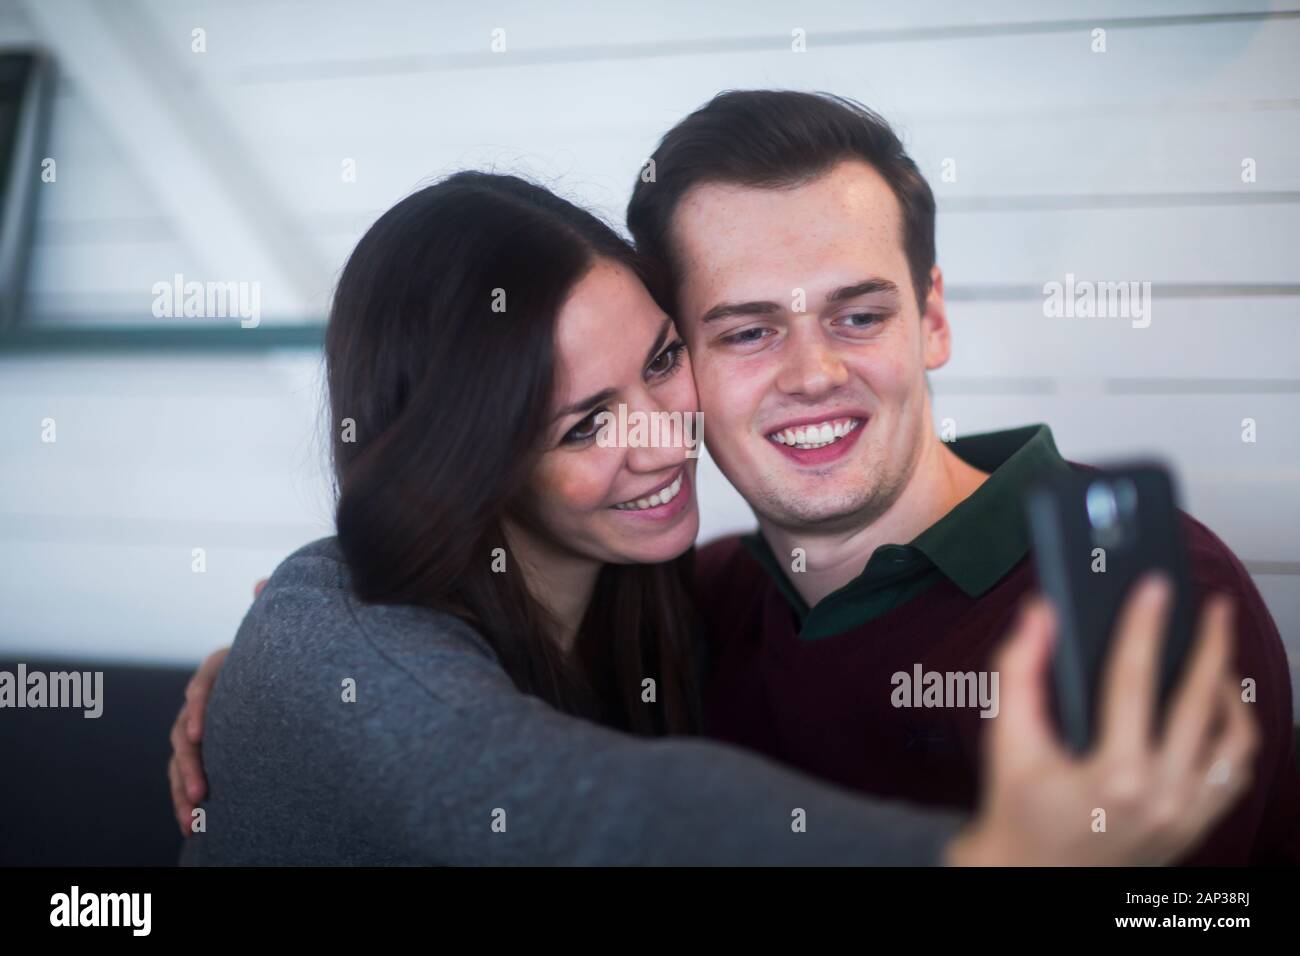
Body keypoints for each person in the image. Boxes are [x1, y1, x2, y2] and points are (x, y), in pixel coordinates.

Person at [173, 161, 1258, 868]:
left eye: (658, 363)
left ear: (931, 315)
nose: (660, 436)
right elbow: (562, 805)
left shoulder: (683, 594)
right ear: (467, 465)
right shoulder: (341, 645)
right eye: (582, 423)